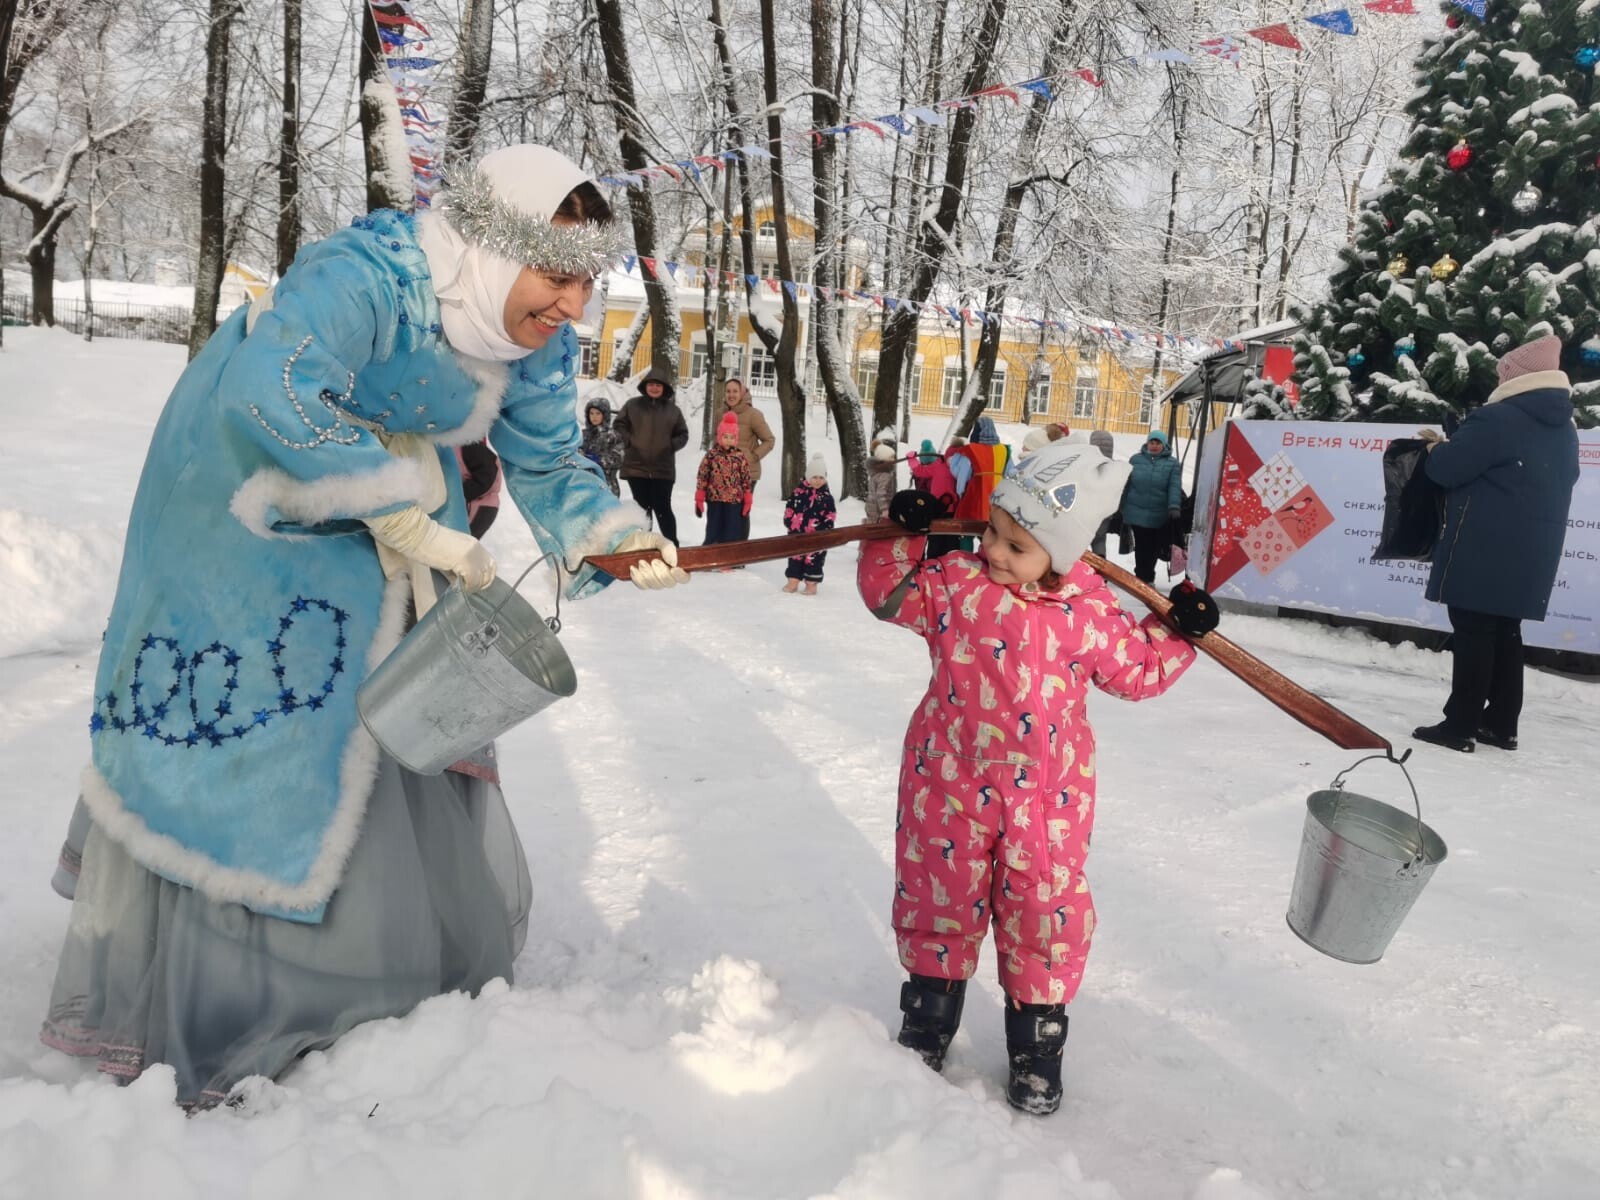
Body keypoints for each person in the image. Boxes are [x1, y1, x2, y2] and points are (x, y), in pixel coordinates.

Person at [38, 143, 688, 1110]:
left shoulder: (539, 339)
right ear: (492, 250)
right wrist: (389, 508)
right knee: (278, 692)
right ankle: (229, 984)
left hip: (379, 473)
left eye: (586, 287)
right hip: (240, 469)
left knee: (379, 677)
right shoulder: (371, 275)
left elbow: (550, 459)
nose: (572, 311)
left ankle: (357, 966)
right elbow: (274, 383)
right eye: (556, 281)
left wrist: (607, 536)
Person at [856, 440, 1218, 1114]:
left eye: (1016, 545)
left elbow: (1138, 670)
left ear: (1063, 552)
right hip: (947, 786)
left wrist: (1179, 632)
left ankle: (1037, 1043)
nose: (994, 549)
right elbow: (889, 595)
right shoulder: (957, 584)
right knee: (940, 901)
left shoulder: (1087, 614)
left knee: (1042, 917)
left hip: (1046, 803)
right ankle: (928, 1019)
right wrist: (898, 535)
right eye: (993, 530)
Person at [1411, 334, 1580, 753]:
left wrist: (1437, 447)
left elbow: (1446, 470)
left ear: (1514, 376)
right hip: (1533, 548)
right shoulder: (1565, 426)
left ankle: (1460, 725)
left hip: (1484, 544)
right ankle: (1501, 725)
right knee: (1505, 631)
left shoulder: (1500, 417)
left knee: (1472, 628)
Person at [615, 368, 689, 546]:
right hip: (636, 467)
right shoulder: (632, 405)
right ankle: (644, 546)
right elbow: (619, 424)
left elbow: (683, 434)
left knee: (663, 508)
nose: (654, 388)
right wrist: (629, 440)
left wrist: (670, 446)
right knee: (642, 509)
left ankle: (672, 545)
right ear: (645, 386)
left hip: (662, 468)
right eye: (651, 384)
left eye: (658, 385)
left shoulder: (673, 411)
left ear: (664, 388)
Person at [1118, 429, 1183, 583]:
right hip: (1136, 511)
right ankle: (1142, 578)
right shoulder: (1135, 460)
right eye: (1151, 442)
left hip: (1159, 513)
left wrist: (1174, 506)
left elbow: (1174, 486)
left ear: (1164, 444)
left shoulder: (1172, 464)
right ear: (1147, 443)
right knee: (1141, 546)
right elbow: (1126, 485)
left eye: (1157, 443)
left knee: (1154, 547)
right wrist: (1120, 504)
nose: (1154, 446)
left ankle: (1147, 577)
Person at [720, 378, 776, 536]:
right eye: (728, 391)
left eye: (735, 391)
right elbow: (715, 438)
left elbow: (769, 440)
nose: (731, 395)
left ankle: (740, 554)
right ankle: (725, 550)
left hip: (746, 473)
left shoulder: (753, 415)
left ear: (742, 393)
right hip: (724, 472)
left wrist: (752, 457)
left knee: (741, 512)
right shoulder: (720, 413)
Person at [695, 411, 755, 547]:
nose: (728, 440)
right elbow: (703, 475)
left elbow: (746, 478)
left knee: (731, 530)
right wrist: (700, 496)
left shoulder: (740, 456)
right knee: (713, 528)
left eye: (732, 437)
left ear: (736, 439)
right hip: (714, 498)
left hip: (734, 501)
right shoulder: (712, 455)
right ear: (720, 437)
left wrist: (747, 498)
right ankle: (709, 554)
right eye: (725, 436)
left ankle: (726, 557)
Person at [782, 453, 838, 594]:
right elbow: (790, 507)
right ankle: (793, 582)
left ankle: (811, 585)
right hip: (797, 533)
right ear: (808, 476)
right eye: (814, 477)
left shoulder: (826, 497)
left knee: (814, 560)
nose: (818, 481)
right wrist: (789, 520)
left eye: (821, 477)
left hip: (817, 537)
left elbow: (831, 514)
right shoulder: (798, 493)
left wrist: (826, 527)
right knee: (795, 557)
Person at [455, 439, 503, 537]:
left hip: (481, 506)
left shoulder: (469, 445)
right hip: (472, 503)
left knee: (460, 540)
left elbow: (488, 474)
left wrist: (456, 493)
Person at [580, 395, 624, 496]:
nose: (594, 417)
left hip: (607, 485)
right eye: (591, 413)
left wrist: (599, 459)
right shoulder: (583, 435)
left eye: (598, 413)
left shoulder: (613, 435)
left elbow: (619, 458)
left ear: (605, 415)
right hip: (585, 485)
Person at [1087, 429, 1116, 558]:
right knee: (1099, 539)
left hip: (1085, 508)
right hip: (1106, 510)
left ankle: (1079, 569)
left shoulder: (1086, 464)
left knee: (1080, 539)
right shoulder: (1114, 466)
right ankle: (1099, 567)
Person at [865, 427, 898, 522]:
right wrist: (885, 509)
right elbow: (881, 493)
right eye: (891, 458)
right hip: (878, 510)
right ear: (884, 460)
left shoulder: (875, 473)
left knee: (872, 526)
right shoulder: (884, 475)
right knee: (878, 531)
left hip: (872, 506)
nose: (894, 460)